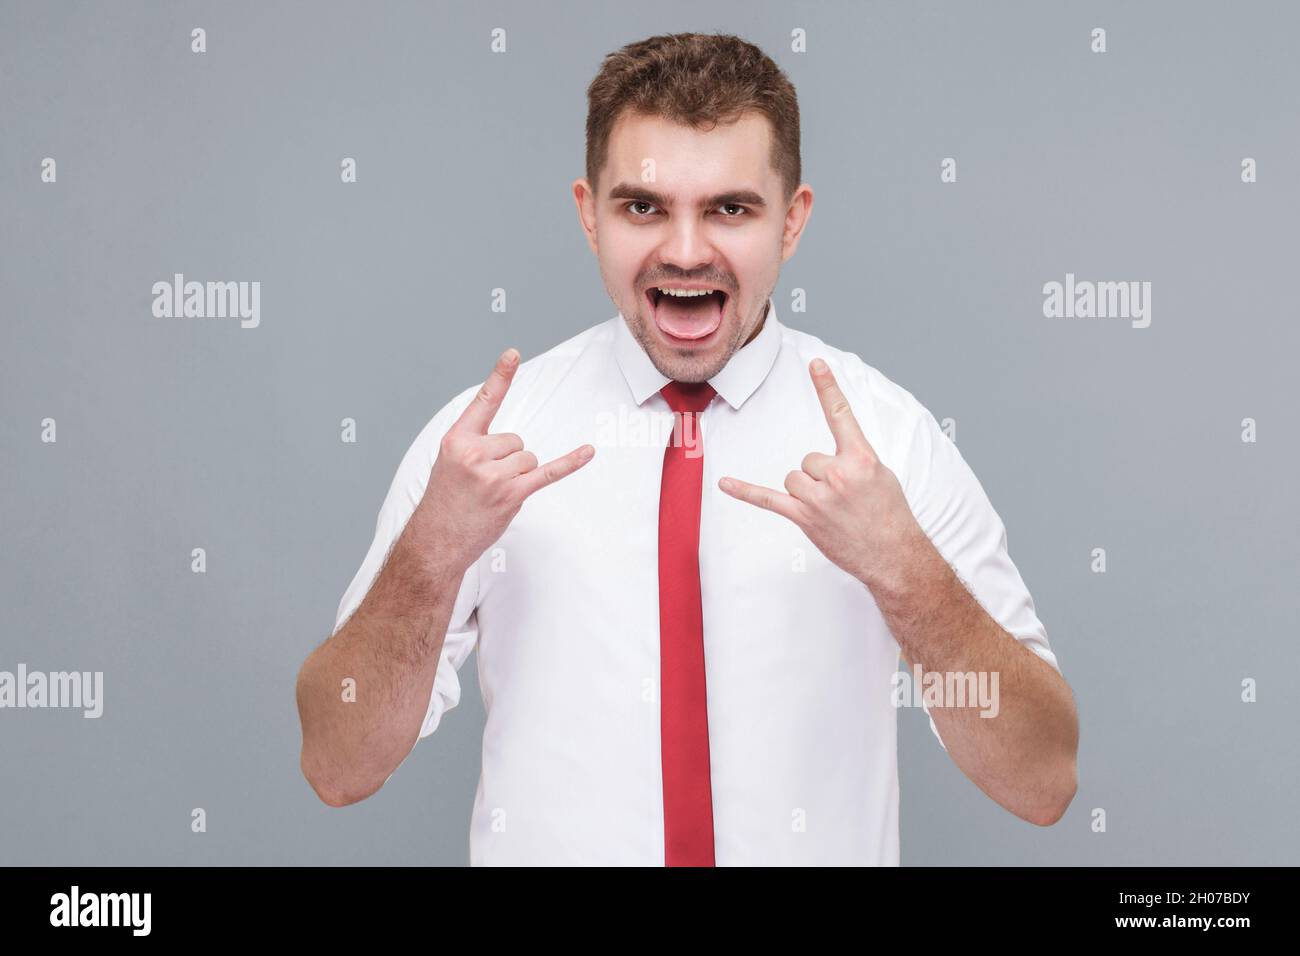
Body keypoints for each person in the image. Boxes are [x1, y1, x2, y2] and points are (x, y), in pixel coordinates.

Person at [295, 32, 1078, 866]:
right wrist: (430, 554)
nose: (686, 251)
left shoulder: (890, 441)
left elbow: (1041, 782)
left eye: (730, 209)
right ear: (589, 214)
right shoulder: (482, 444)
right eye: (644, 207)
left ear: (793, 221)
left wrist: (908, 572)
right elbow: (339, 765)